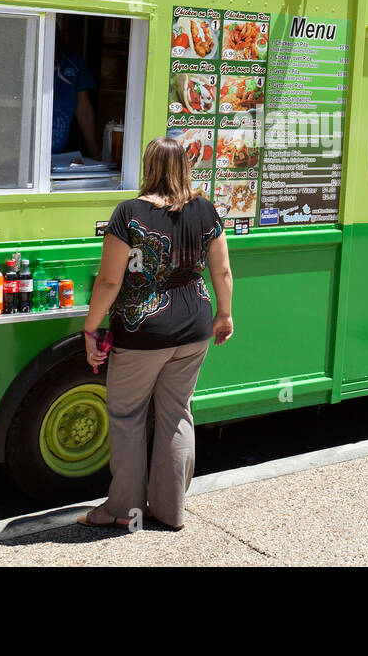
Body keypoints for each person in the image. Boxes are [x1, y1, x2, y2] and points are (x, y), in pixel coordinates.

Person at [77, 136, 233, 531]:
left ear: (148, 166)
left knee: (127, 417)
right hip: (195, 325)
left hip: (141, 331)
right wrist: (225, 314)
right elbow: (223, 272)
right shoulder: (206, 210)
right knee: (177, 415)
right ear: (185, 166)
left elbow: (110, 282)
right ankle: (171, 511)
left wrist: (90, 327)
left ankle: (123, 511)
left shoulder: (128, 213)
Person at [52, 27, 100, 158]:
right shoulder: (26, 61)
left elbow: (83, 112)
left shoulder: (73, 63)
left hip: (57, 159)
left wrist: (96, 156)